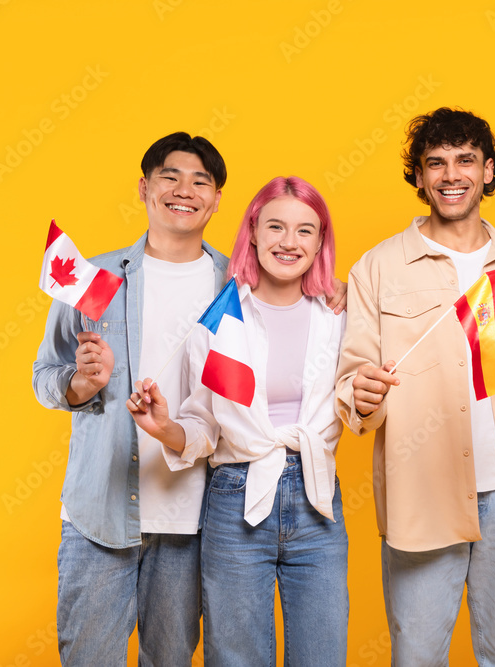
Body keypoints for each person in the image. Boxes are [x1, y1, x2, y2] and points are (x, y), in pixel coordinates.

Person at [335, 107, 495, 666]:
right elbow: (351, 379)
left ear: (489, 170)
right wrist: (359, 396)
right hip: (424, 496)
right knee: (416, 656)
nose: (450, 174)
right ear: (418, 177)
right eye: (434, 163)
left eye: (465, 160)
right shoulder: (378, 268)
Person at [126, 176, 349, 667]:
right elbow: (202, 426)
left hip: (317, 496)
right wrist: (164, 426)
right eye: (275, 227)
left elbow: (359, 398)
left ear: (320, 242)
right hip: (236, 495)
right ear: (251, 232)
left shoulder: (342, 316)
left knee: (323, 655)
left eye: (305, 231)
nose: (289, 242)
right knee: (236, 657)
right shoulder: (220, 320)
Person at [32, 132, 228, 666]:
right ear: (144, 187)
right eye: (170, 176)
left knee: (170, 659)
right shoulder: (93, 280)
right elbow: (44, 375)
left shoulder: (238, 285)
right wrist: (82, 384)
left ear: (215, 199)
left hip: (194, 522)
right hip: (100, 512)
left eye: (200, 182)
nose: (184, 190)